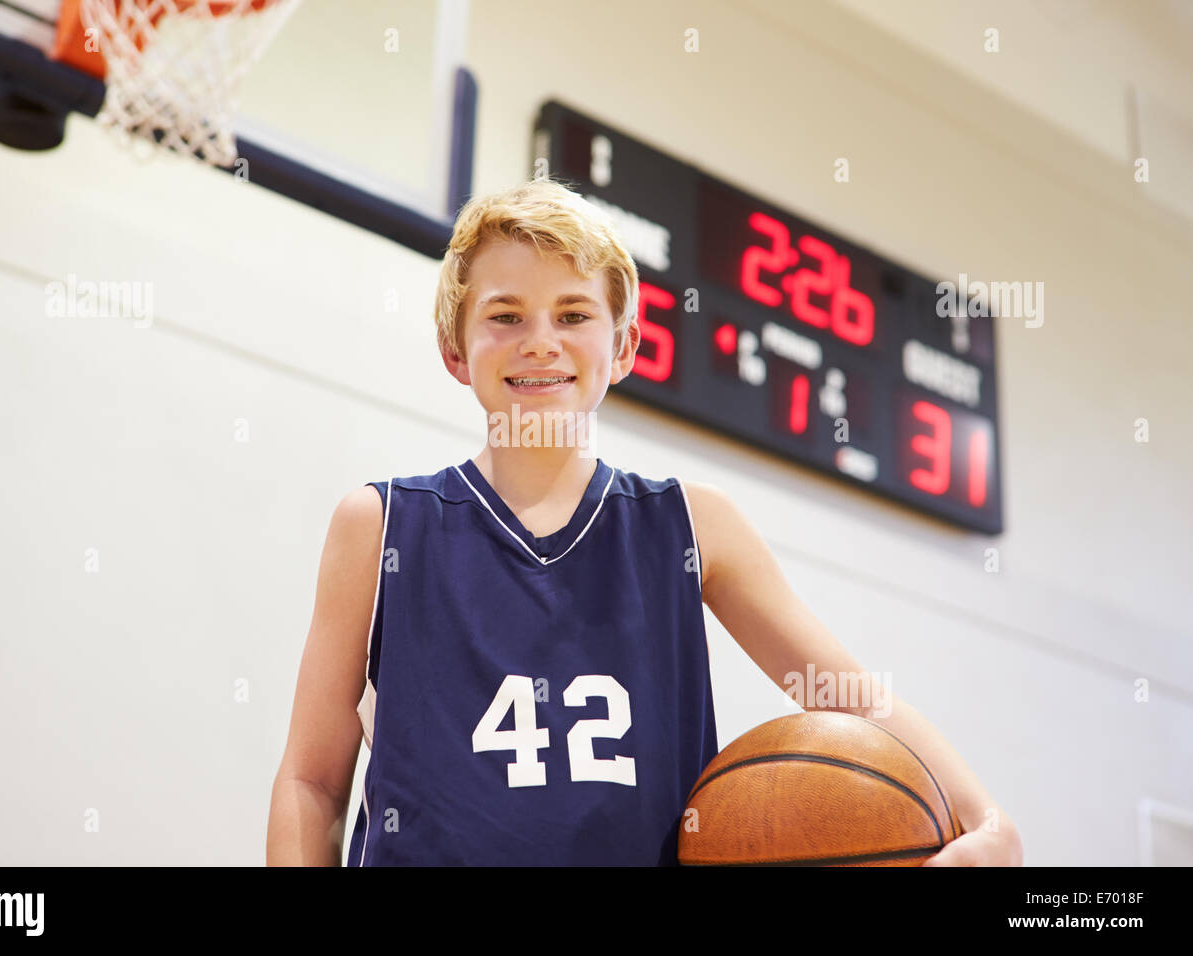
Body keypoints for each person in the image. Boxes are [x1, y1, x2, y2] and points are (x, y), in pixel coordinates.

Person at [266, 178, 1024, 866]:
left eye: (573, 313)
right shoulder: (382, 524)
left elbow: (841, 691)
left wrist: (987, 822)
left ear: (624, 346)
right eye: (505, 315)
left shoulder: (693, 528)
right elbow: (311, 782)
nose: (540, 340)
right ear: (454, 351)